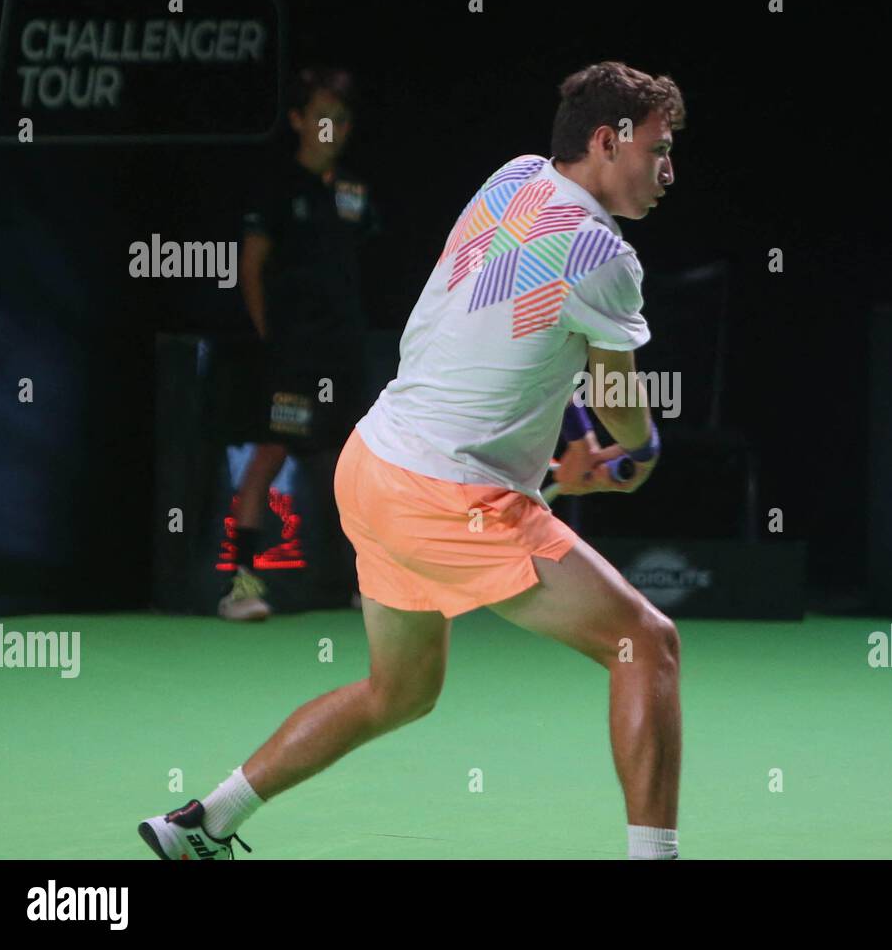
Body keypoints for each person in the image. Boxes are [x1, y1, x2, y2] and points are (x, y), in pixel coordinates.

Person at [141, 60, 684, 860]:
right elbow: (618, 406)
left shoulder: (514, 180)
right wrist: (639, 446)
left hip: (372, 464)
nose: (669, 170)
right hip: (446, 492)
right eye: (659, 149)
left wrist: (557, 438)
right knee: (646, 642)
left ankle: (204, 821)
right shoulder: (606, 255)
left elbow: (501, 325)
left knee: (398, 692)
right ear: (608, 142)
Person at [218, 67, 377, 621]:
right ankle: (242, 585)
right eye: (323, 117)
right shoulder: (275, 188)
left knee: (352, 463)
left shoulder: (355, 193)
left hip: (345, 354)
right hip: (293, 357)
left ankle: (366, 584)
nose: (333, 127)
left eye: (342, 119)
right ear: (298, 121)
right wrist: (275, 343)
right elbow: (251, 269)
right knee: (271, 452)